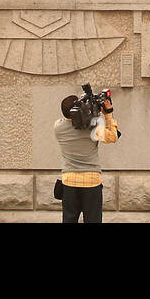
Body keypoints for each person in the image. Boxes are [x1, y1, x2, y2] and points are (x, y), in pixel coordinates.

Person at [54, 91, 119, 223]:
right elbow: (113, 136)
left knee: (69, 220)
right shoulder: (93, 128)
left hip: (69, 182)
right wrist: (108, 114)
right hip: (91, 182)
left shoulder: (58, 127)